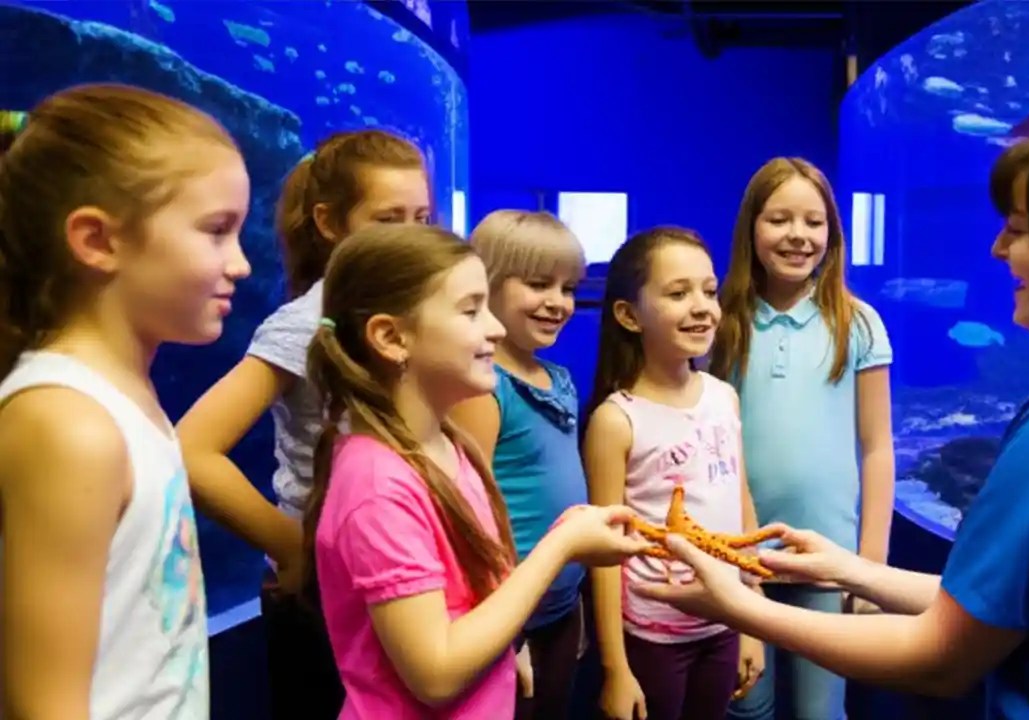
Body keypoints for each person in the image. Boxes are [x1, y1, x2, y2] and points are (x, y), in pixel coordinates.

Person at [637, 104, 1029, 719]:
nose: (999, 249)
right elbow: (1024, 604)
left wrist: (735, 606)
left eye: (1021, 228)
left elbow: (941, 656)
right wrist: (849, 569)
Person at [302, 222, 647, 719]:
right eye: (470, 311)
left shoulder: (449, 444)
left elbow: (476, 588)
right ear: (391, 336)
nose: (496, 329)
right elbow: (435, 674)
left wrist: (505, 643)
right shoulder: (378, 487)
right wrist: (562, 545)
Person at [0, 83, 252, 718]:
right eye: (217, 231)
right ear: (97, 240)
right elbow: (46, 705)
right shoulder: (68, 424)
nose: (242, 264)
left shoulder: (124, 398)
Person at [176, 128, 431, 718]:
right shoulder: (307, 323)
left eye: (422, 216)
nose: (412, 236)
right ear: (329, 222)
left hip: (403, 568)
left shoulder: (416, 308)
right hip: (328, 589)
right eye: (389, 219)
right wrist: (293, 548)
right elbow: (193, 448)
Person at [710, 157, 895, 720]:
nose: (798, 235)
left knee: (821, 712)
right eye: (779, 219)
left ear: (832, 234)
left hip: (829, 560)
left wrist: (871, 568)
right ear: (751, 228)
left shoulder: (858, 323)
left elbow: (877, 447)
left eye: (813, 222)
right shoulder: (718, 321)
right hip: (738, 558)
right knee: (746, 709)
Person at [583, 226, 769, 720]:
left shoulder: (722, 396)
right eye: (678, 293)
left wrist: (754, 619)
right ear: (628, 314)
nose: (703, 306)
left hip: (725, 620)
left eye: (710, 291)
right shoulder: (616, 419)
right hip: (652, 635)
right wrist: (615, 668)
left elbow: (741, 508)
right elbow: (604, 553)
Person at [449, 210, 590, 719]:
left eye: (568, 288)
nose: (558, 303)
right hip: (508, 614)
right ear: (485, 287)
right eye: (537, 284)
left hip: (560, 605)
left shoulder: (559, 377)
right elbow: (467, 508)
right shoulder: (484, 386)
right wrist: (505, 634)